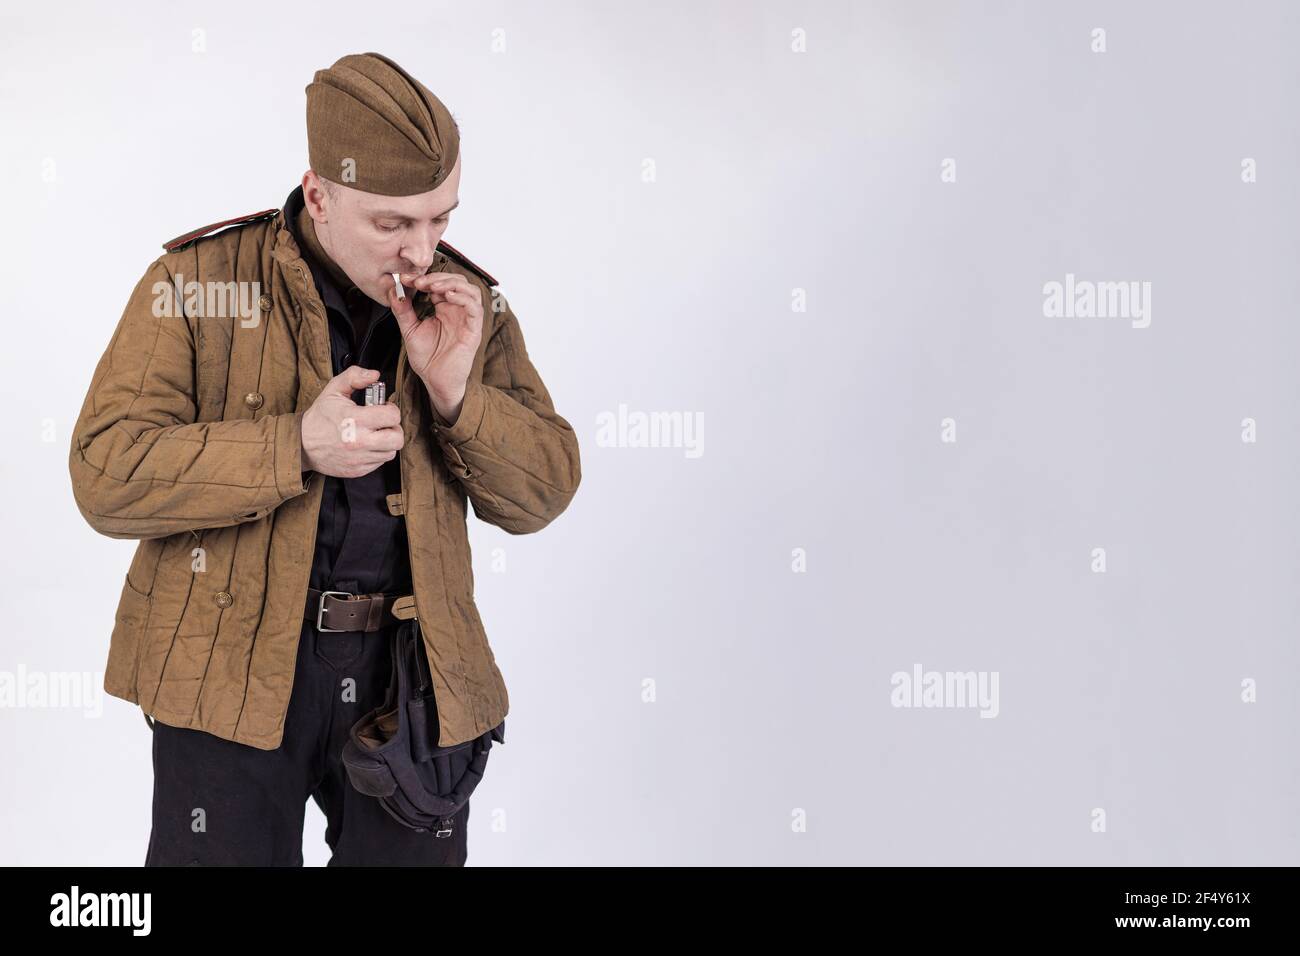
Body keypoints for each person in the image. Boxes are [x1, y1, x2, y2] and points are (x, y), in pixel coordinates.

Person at [68, 52, 581, 865]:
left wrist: (458, 397)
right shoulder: (194, 283)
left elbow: (544, 494)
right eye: (392, 223)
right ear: (319, 194)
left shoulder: (469, 308)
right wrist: (293, 446)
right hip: (224, 670)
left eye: (440, 219)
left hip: (410, 681)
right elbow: (105, 473)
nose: (421, 252)